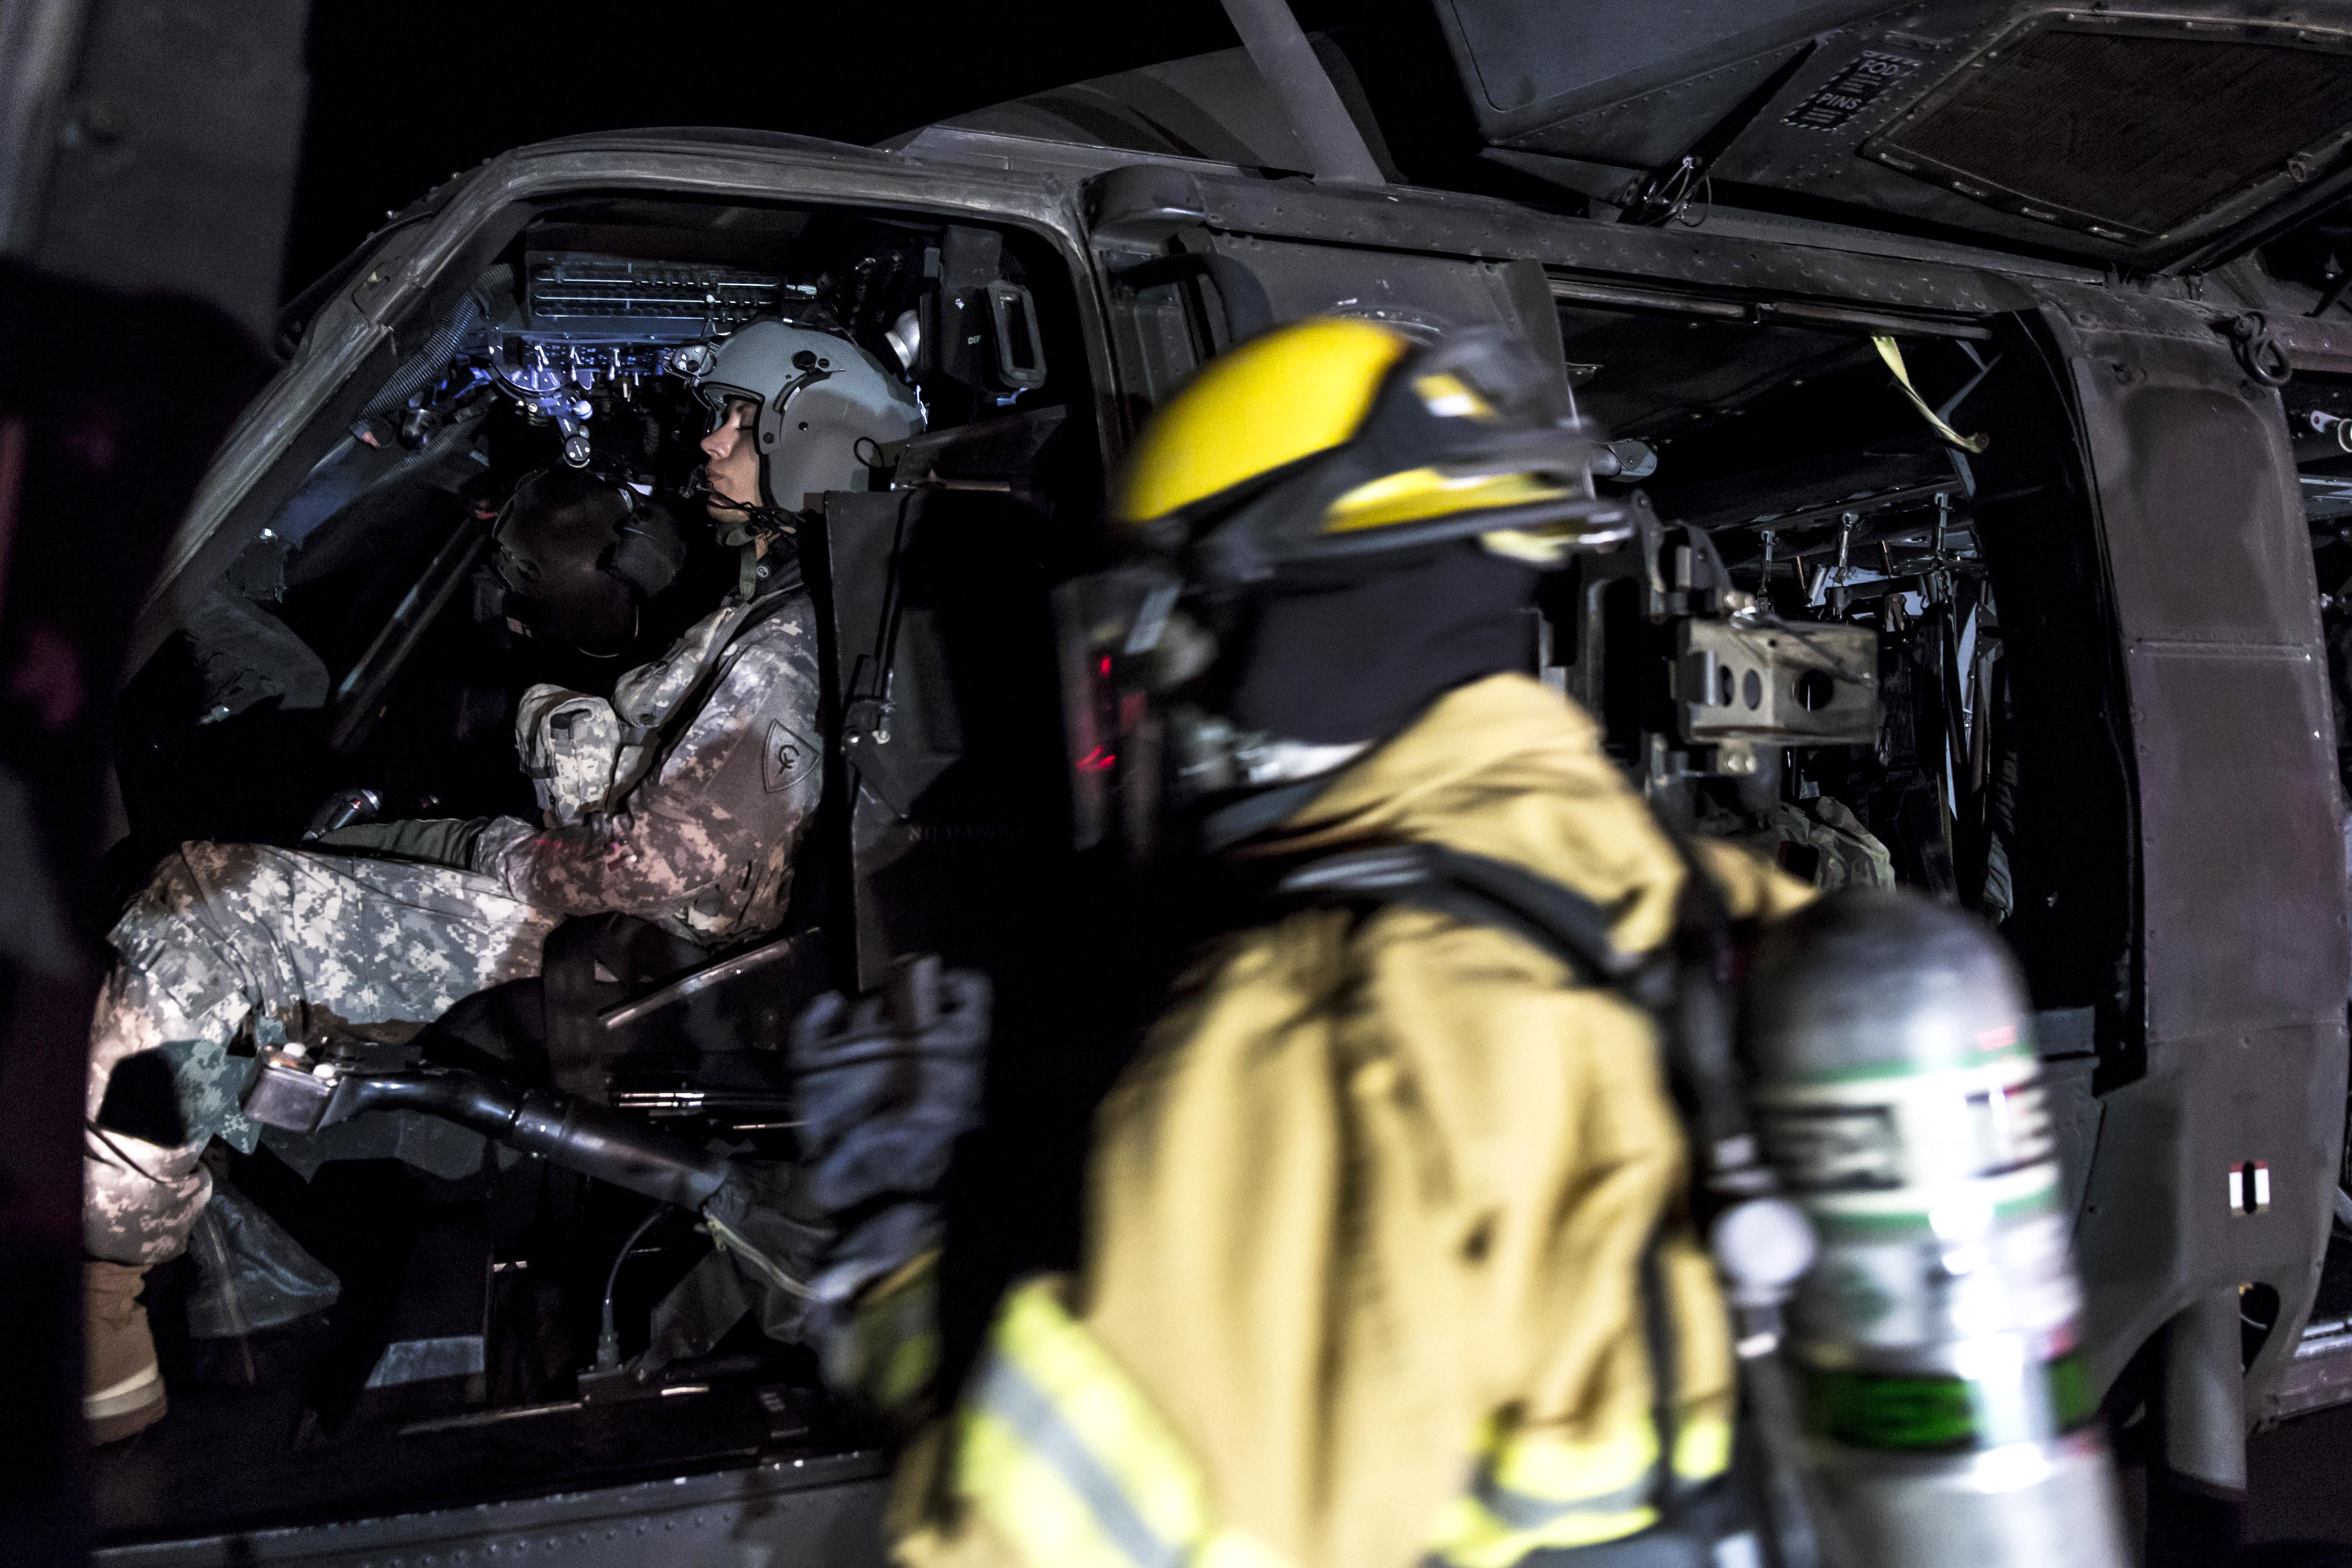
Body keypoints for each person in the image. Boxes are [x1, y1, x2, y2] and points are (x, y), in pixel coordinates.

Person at [882, 318, 1812, 1568]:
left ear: (1297, 611)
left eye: (1177, 627)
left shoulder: (1329, 1020)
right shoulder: (1721, 905)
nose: (1165, 693)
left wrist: (898, 1265)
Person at [79, 321, 856, 1444]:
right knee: (302, 861)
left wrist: (518, 854)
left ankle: (98, 1310)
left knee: (207, 907)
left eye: (740, 422)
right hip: (593, 900)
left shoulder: (789, 642)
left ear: (817, 439)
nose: (711, 443)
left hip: (615, 934)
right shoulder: (787, 597)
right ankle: (245, 1261)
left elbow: (666, 865)